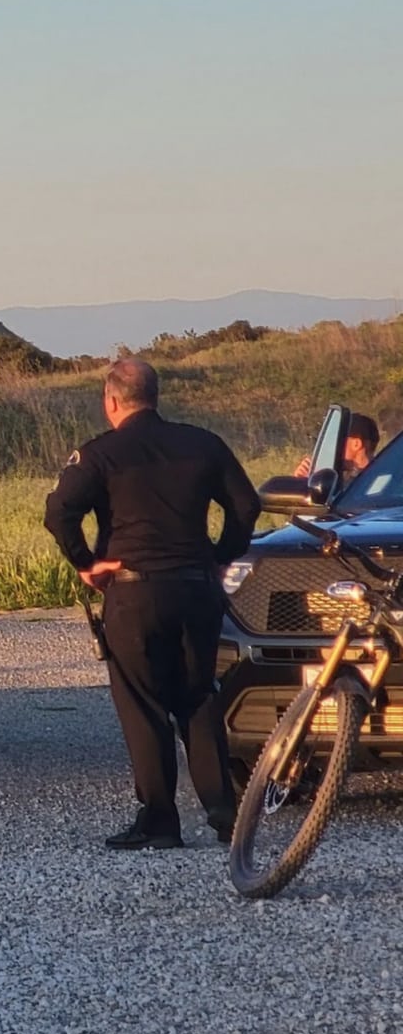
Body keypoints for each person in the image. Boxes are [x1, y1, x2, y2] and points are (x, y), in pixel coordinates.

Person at [44, 358, 261, 850]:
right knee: (198, 694)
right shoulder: (204, 443)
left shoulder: (100, 454)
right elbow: (247, 505)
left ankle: (160, 819)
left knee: (142, 701)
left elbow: (59, 513)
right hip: (196, 587)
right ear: (155, 396)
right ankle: (224, 810)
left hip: (134, 589)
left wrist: (84, 563)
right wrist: (219, 556)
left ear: (112, 401)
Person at [287, 413, 380, 488]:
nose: (334, 446)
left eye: (339, 440)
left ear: (356, 444)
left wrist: (314, 486)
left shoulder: (369, 483)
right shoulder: (384, 474)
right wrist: (303, 483)